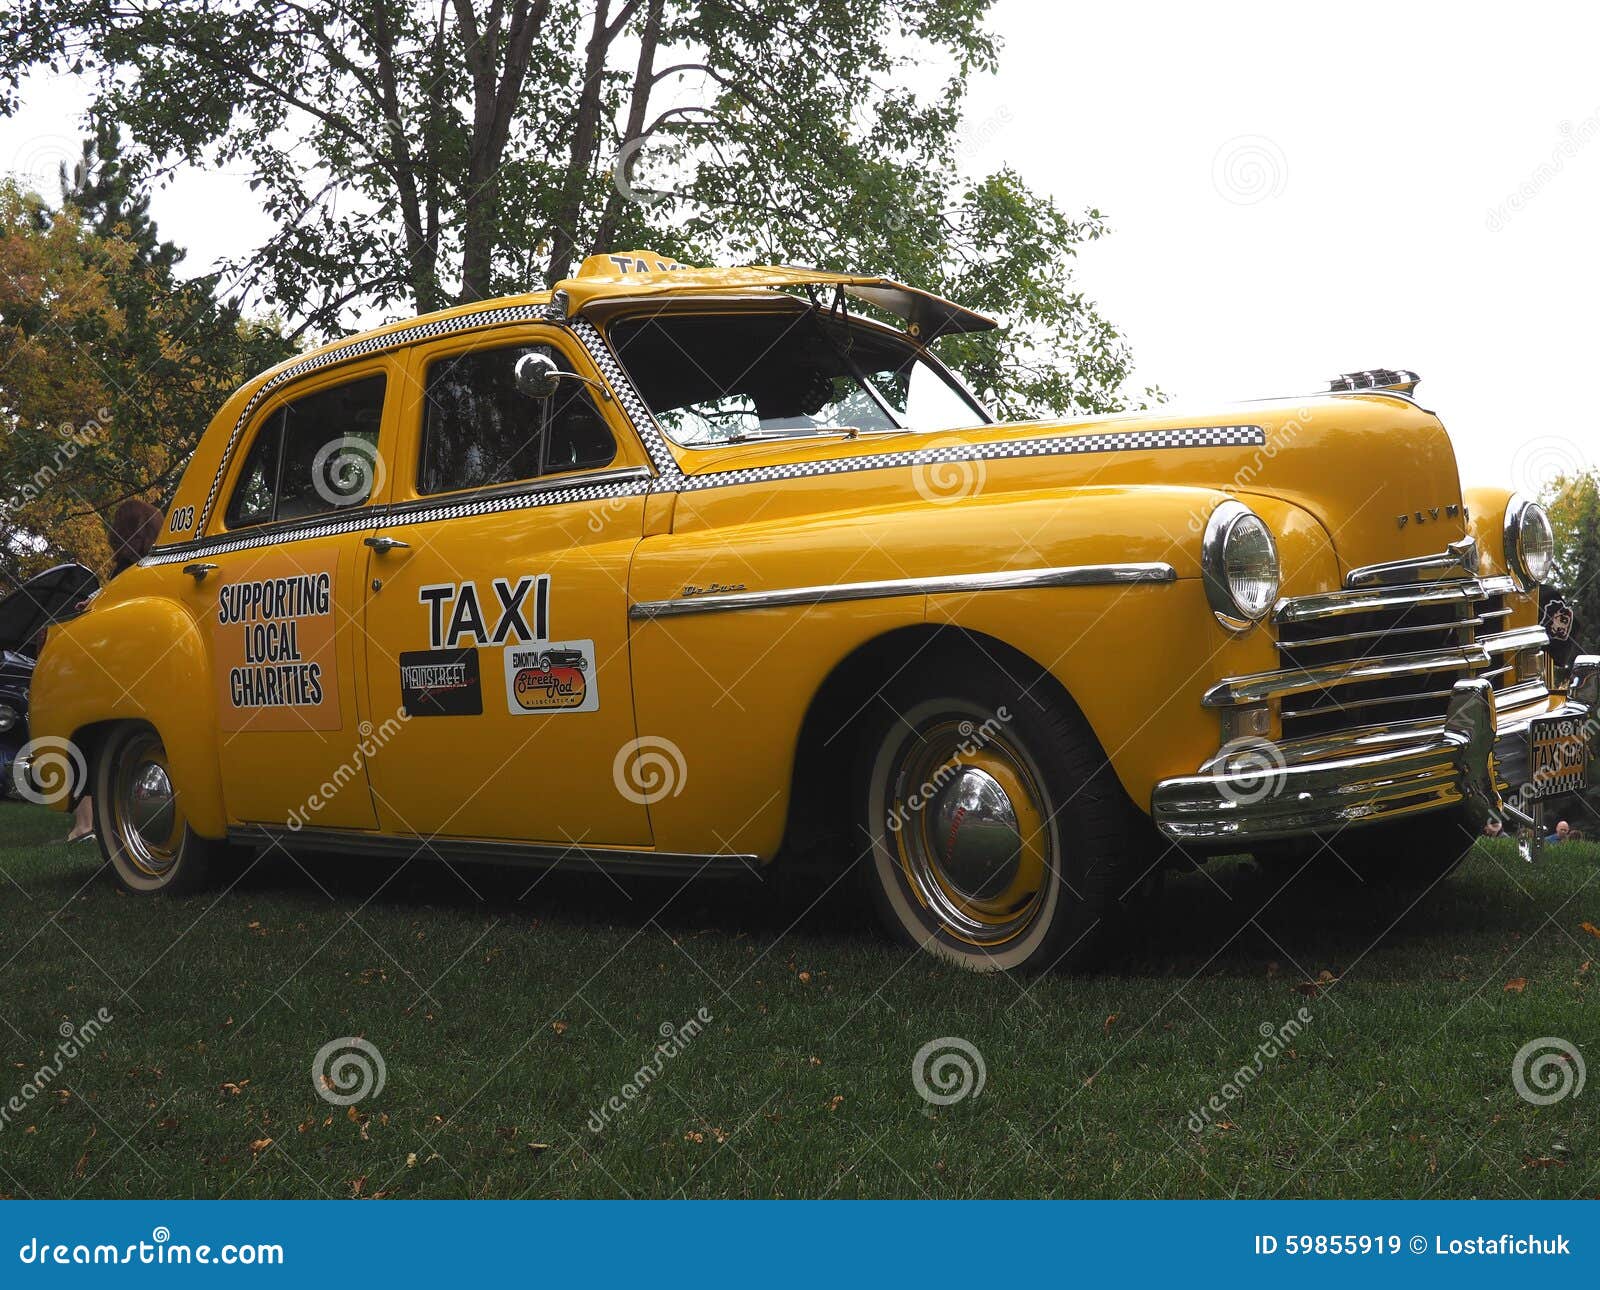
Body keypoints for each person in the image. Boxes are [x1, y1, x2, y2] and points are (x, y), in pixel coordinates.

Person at [65, 499, 163, 844]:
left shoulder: (125, 572)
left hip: (117, 666)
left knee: (88, 733)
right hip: (151, 666)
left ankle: (85, 823)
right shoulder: (160, 566)